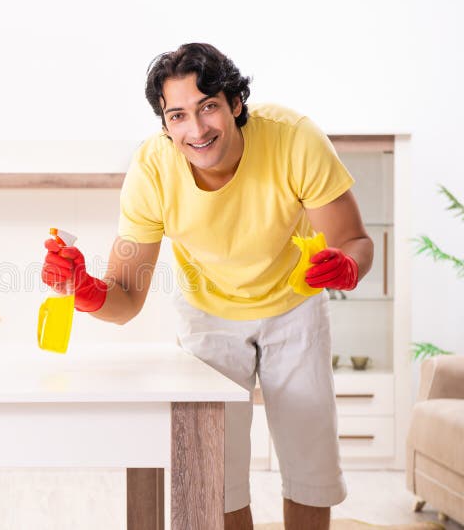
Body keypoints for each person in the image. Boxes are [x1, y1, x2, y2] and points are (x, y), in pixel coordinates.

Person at [41, 42, 373, 530]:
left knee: (310, 463)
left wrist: (348, 266)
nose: (196, 130)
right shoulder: (153, 169)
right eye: (177, 115)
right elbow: (125, 298)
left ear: (236, 103)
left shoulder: (294, 139)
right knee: (216, 470)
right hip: (207, 313)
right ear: (164, 123)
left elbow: (355, 241)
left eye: (208, 106)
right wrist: (85, 290)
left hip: (294, 305)